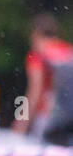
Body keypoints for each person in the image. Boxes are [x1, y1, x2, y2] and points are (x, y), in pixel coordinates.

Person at [15, 14, 73, 143]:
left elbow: (33, 92)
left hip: (47, 118)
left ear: (36, 34)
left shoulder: (36, 56)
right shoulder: (69, 51)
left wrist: (21, 123)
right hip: (69, 118)